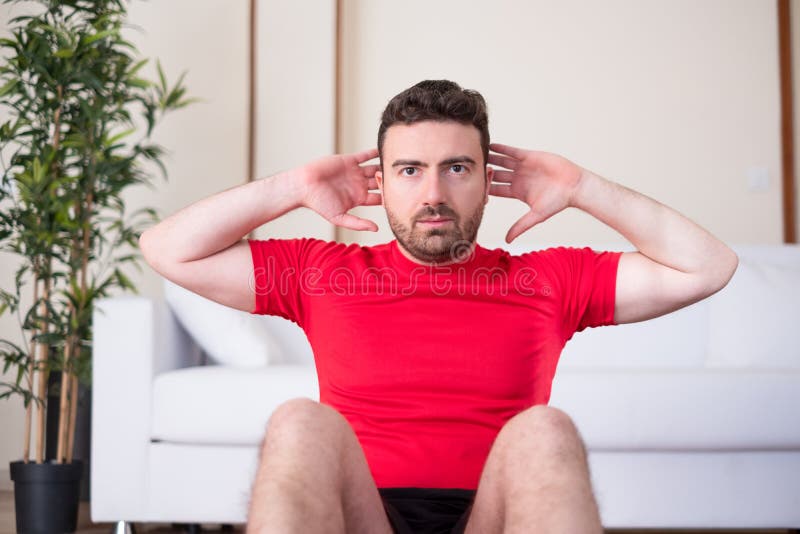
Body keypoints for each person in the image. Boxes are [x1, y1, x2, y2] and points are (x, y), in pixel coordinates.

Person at [139, 80, 739, 534]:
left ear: (487, 181)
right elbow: (167, 249)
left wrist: (583, 188)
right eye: (409, 170)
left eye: (456, 168)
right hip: (362, 513)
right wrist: (292, 188)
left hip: (495, 516)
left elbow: (708, 266)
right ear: (381, 182)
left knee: (544, 430)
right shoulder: (324, 273)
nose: (433, 194)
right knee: (299, 422)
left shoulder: (548, 279)